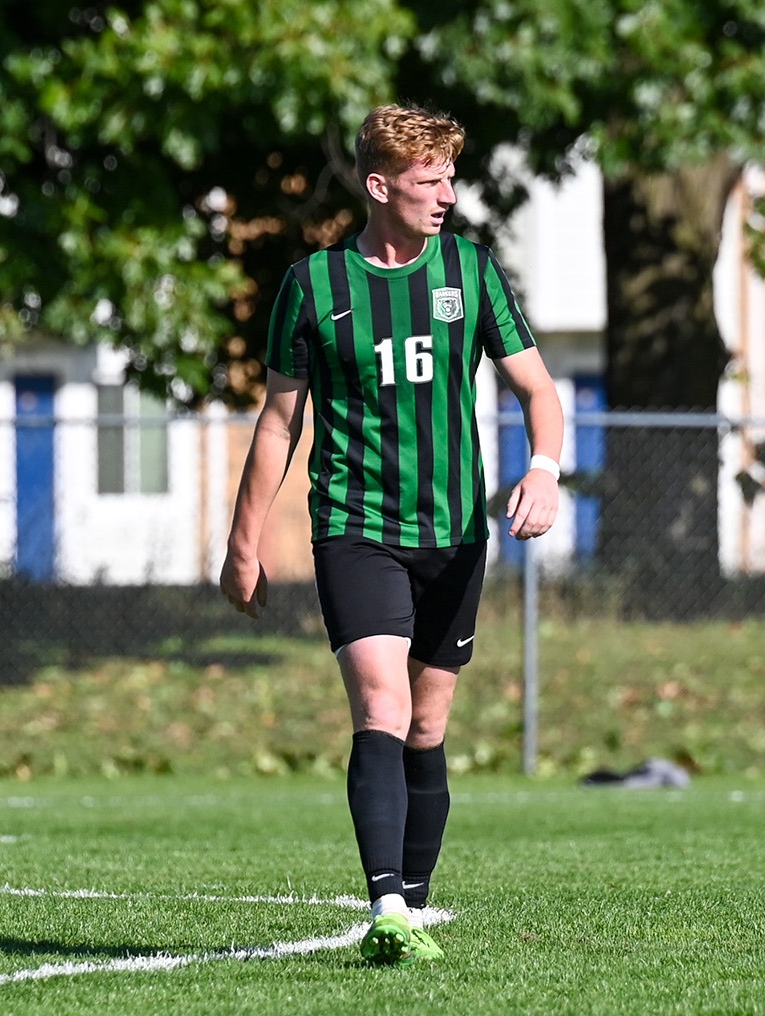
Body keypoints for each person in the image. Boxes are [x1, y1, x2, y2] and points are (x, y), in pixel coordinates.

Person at [219, 104, 564, 966]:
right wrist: (243, 539)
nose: (448, 193)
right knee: (381, 702)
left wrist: (544, 467)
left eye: (451, 176)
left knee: (427, 723)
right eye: (429, 179)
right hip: (354, 527)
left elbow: (539, 391)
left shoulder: (472, 274)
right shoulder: (314, 286)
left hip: (453, 532)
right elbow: (277, 423)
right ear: (380, 187)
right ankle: (385, 907)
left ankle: (413, 903)